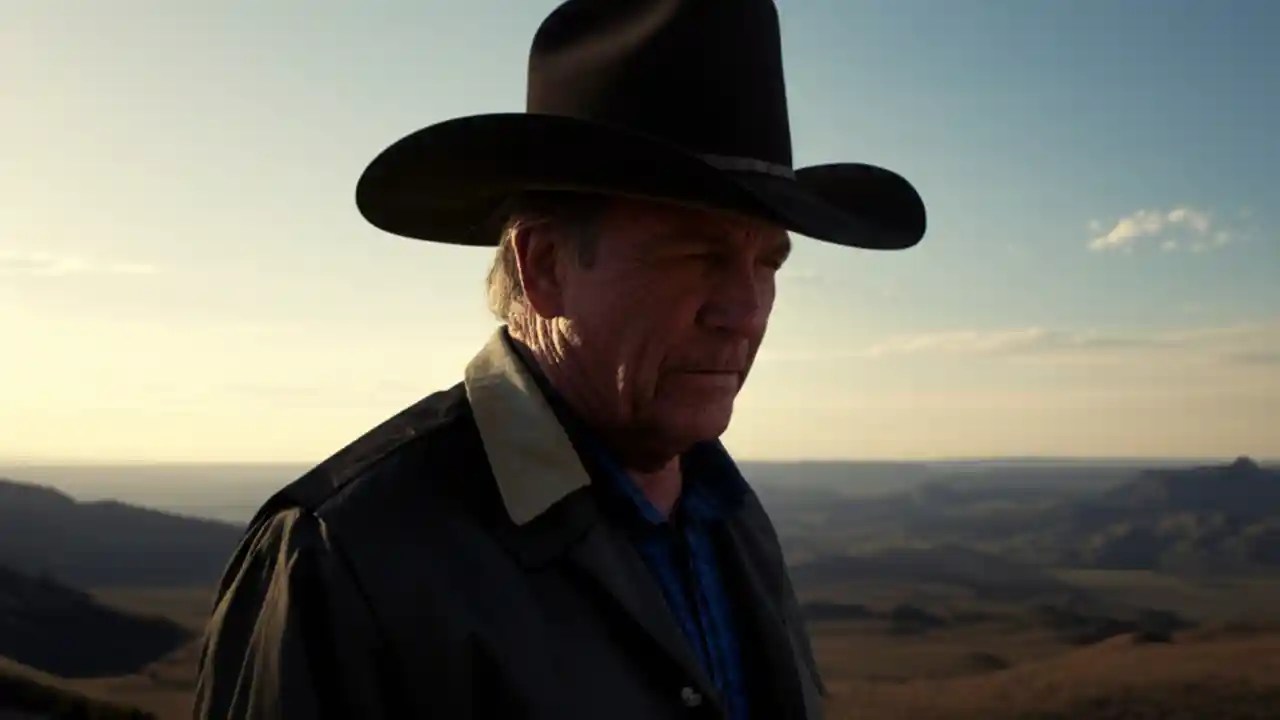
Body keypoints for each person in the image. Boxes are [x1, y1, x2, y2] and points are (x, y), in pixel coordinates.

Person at [193, 1, 926, 718]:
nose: (745, 311)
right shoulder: (343, 558)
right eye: (695, 255)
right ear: (543, 266)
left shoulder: (726, 515)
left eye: (768, 264)